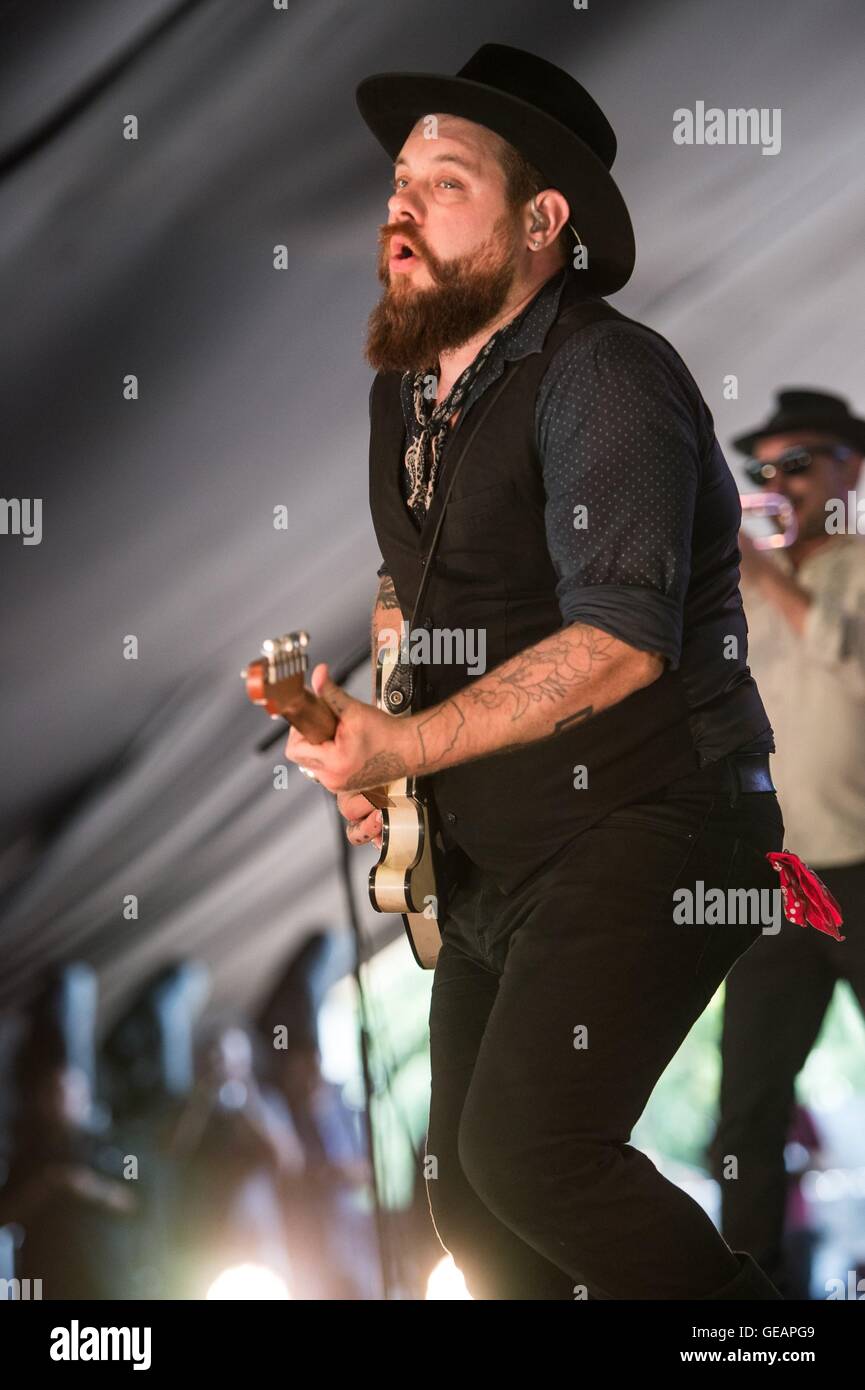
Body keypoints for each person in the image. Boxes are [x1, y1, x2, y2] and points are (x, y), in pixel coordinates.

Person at [285, 43, 787, 1299]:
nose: (400, 205)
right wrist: (383, 763)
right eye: (398, 179)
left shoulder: (606, 375)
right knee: (469, 1200)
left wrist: (405, 746)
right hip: (500, 853)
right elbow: (427, 606)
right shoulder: (406, 393)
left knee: (531, 1153)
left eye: (444, 183)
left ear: (539, 222)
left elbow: (619, 642)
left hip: (660, 820)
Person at [712, 389, 865, 1297]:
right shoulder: (746, 589)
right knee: (746, 1112)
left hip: (864, 863)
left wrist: (765, 574)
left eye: (796, 464)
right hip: (780, 876)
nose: (778, 485)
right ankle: (751, 1311)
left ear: (850, 465)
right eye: (762, 472)